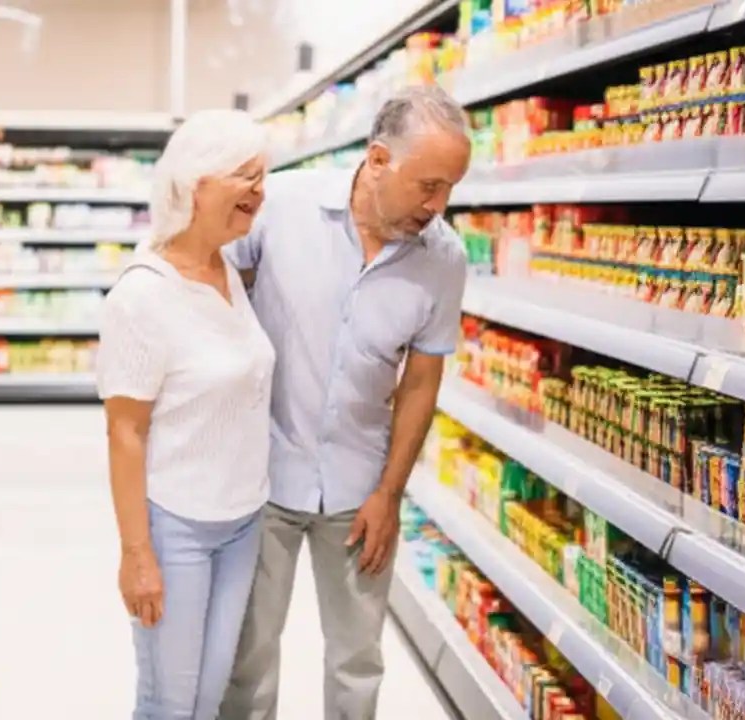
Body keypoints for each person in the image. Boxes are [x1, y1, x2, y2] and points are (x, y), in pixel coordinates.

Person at [221, 85, 472, 719]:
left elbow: (421, 380)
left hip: (361, 488)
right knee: (247, 659)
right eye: (428, 185)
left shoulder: (443, 257)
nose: (438, 206)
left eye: (450, 189)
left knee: (357, 662)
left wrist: (389, 493)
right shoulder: (283, 205)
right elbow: (216, 293)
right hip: (262, 478)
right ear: (379, 158)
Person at [97, 110, 273, 720]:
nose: (260, 190)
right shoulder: (142, 295)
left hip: (243, 518)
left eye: (263, 175)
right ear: (196, 184)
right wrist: (136, 553)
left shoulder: (228, 268)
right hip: (178, 527)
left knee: (208, 694)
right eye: (245, 176)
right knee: (169, 703)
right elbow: (125, 431)